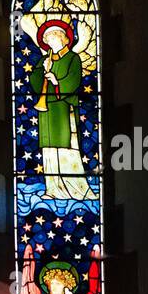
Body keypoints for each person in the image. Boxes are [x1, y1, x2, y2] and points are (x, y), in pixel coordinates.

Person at [28, 20, 93, 200]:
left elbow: (74, 81)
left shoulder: (73, 58)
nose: (51, 40)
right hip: (47, 112)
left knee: (67, 149)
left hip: (64, 110)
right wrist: (42, 70)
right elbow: (34, 82)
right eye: (48, 38)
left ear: (65, 39)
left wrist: (57, 82)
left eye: (55, 36)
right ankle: (53, 189)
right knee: (49, 150)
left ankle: (76, 190)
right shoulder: (45, 60)